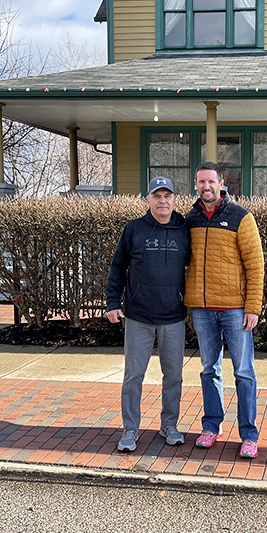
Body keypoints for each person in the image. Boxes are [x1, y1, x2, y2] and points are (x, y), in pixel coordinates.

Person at [185, 161, 264, 458]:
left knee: (243, 372)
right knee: (209, 370)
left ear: (221, 183)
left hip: (235, 309)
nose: (206, 186)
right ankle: (212, 426)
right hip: (202, 310)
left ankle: (248, 434)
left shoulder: (241, 218)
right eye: (200, 181)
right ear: (196, 184)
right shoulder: (189, 219)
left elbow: (255, 266)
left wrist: (252, 307)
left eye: (210, 181)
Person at [105, 176, 190, 452]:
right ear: (148, 200)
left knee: (174, 375)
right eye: (157, 196)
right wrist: (111, 302)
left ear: (175, 200)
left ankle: (169, 425)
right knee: (133, 376)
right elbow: (118, 267)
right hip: (139, 316)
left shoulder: (184, 230)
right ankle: (130, 429)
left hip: (173, 316)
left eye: (167, 196)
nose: (162, 201)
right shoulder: (134, 229)